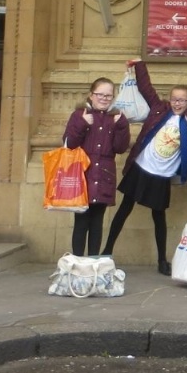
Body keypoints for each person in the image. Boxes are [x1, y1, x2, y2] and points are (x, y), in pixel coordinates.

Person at [103, 58, 187, 273]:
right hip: (141, 167)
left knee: (159, 216)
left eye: (182, 100)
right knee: (124, 209)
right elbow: (146, 88)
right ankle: (106, 252)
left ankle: (161, 260)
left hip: (162, 174)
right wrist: (139, 65)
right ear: (169, 99)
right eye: (175, 99)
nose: (178, 103)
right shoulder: (159, 108)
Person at [62, 77, 131, 257]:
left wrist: (122, 127)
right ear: (91, 95)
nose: (104, 99)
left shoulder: (115, 117)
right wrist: (83, 124)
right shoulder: (79, 114)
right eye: (100, 94)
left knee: (97, 222)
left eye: (108, 96)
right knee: (81, 220)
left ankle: (93, 260)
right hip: (83, 175)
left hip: (104, 176)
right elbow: (69, 143)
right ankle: (77, 261)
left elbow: (120, 148)